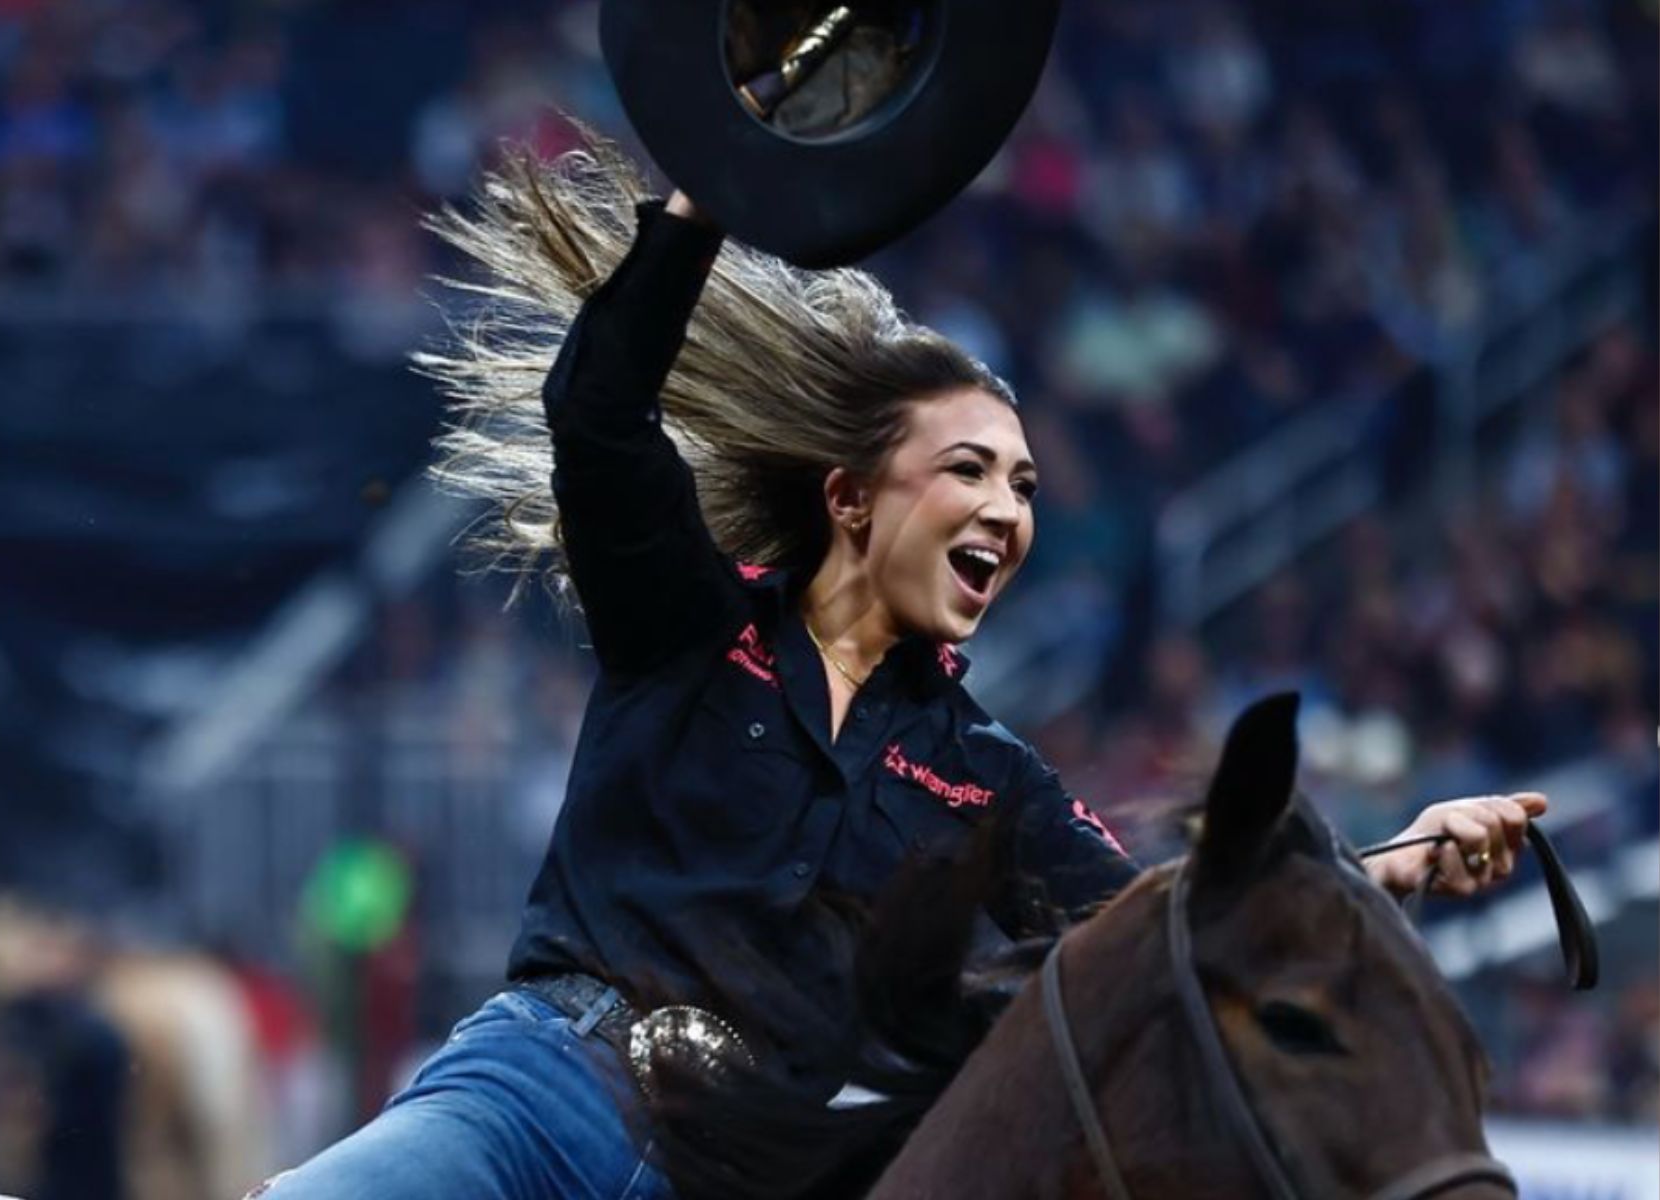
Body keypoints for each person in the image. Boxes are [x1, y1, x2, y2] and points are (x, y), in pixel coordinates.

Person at [255, 135, 1545, 1198]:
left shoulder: (992, 782)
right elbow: (599, 414)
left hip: (747, 1175)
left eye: (1027, 487)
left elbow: (1170, 925)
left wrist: (1396, 865)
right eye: (971, 470)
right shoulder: (690, 623)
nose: (1009, 510)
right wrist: (707, 194)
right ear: (854, 501)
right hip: (532, 1103)